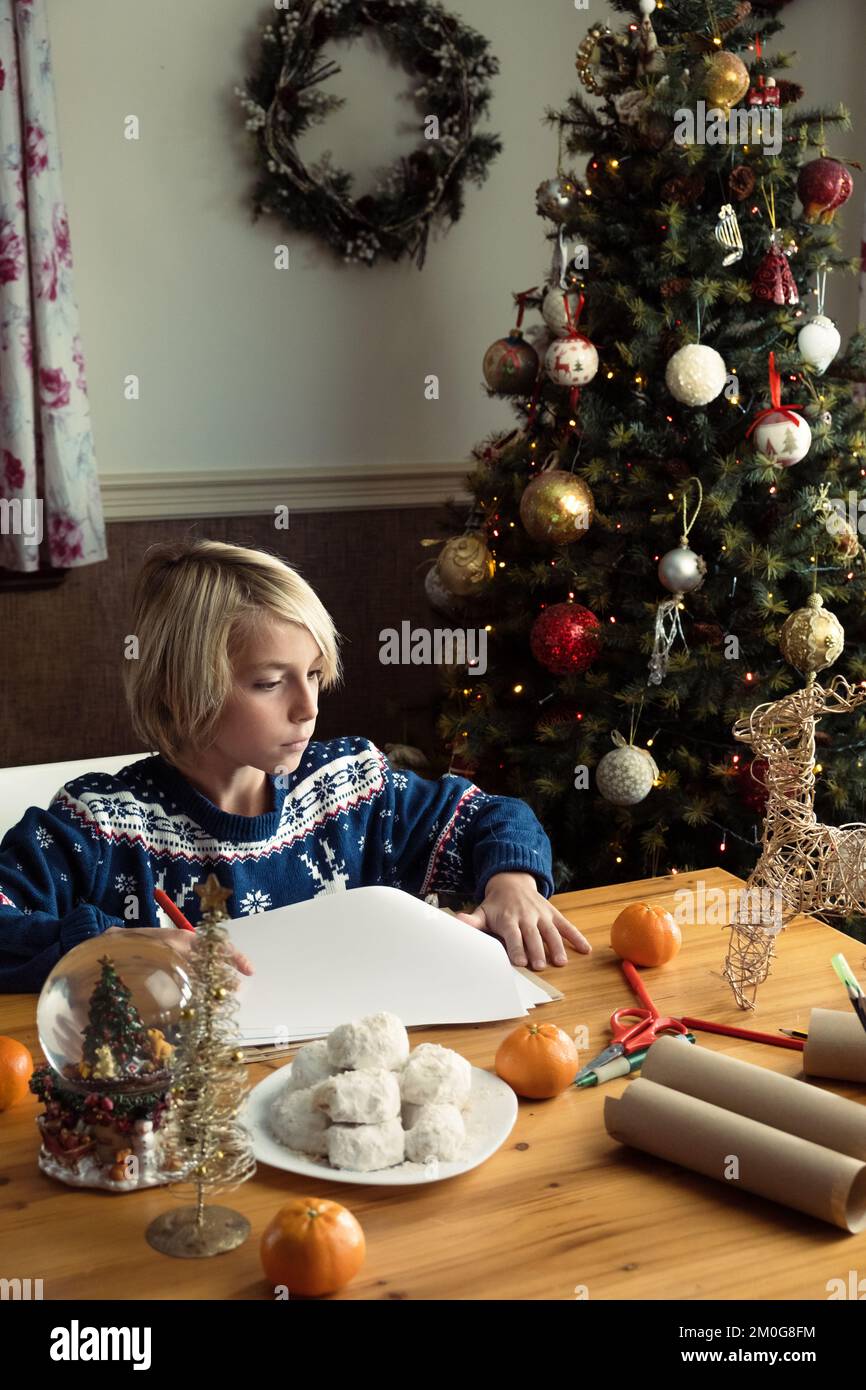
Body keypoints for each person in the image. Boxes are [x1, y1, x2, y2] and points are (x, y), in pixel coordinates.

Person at [0, 540, 591, 991]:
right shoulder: (99, 826)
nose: (308, 708)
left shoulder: (350, 785)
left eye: (312, 675)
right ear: (179, 694)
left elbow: (491, 814)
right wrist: (103, 945)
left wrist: (511, 881)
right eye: (268, 683)